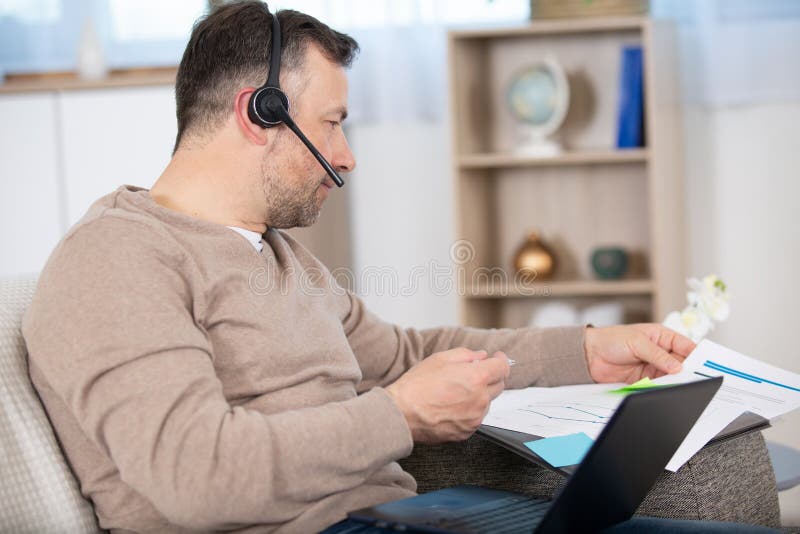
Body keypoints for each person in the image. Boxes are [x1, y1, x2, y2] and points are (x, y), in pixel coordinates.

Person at [21, 3, 776, 533]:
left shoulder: (281, 256)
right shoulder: (117, 259)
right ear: (261, 112)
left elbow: (405, 356)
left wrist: (584, 351)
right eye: (335, 124)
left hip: (401, 515)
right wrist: (401, 415)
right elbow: (194, 475)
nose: (346, 156)